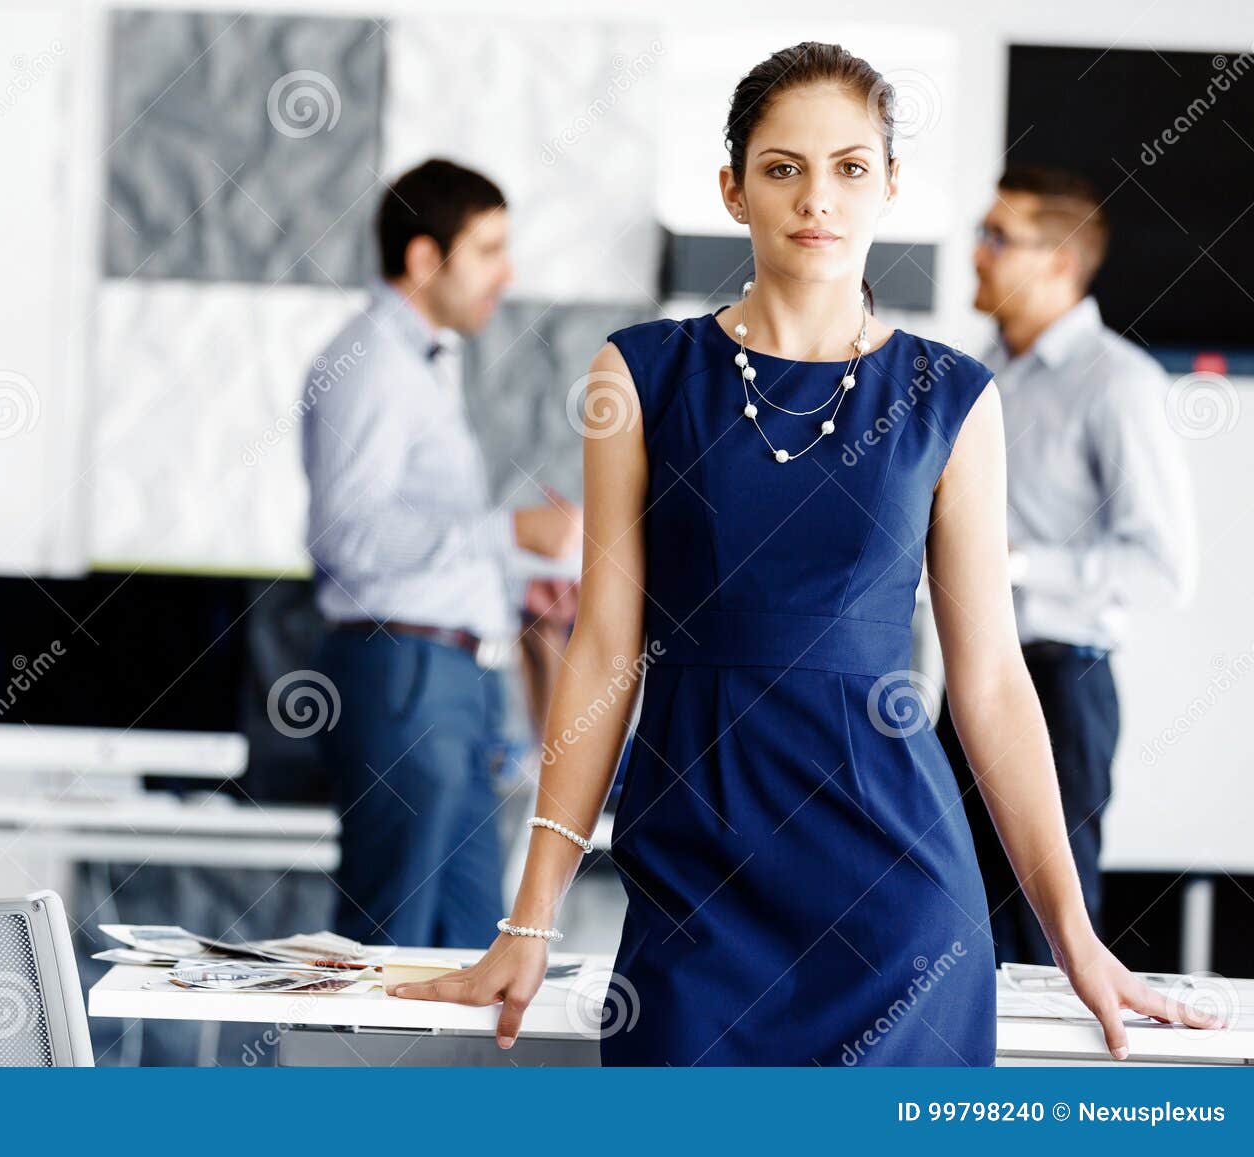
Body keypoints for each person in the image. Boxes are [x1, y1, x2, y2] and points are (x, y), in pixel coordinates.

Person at [387, 43, 1221, 1064]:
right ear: (732, 189)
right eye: (782, 167)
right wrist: (531, 918)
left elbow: (992, 680)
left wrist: (1071, 933)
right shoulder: (641, 375)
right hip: (693, 883)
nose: (816, 195)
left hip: (896, 906)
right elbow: (604, 653)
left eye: (850, 167)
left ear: (889, 188)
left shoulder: (950, 397)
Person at [302, 158, 583, 950]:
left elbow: (418, 534)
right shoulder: (371, 364)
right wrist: (506, 534)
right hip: (407, 678)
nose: (507, 271)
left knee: (464, 950)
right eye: (488, 249)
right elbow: (346, 537)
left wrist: (522, 570)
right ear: (426, 259)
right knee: (384, 947)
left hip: (453, 683)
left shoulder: (424, 362)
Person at [933, 166, 1197, 966]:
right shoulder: (980, 375)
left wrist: (1010, 563)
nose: (975, 255)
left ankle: (1047, 1097)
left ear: (1058, 261)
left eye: (996, 238)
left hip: (1058, 686)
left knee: (1044, 935)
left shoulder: (1117, 382)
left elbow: (1163, 567)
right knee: (956, 920)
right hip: (969, 679)